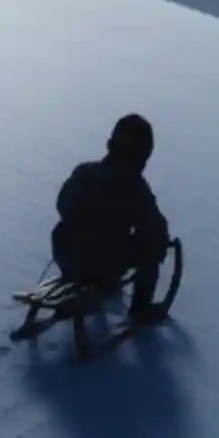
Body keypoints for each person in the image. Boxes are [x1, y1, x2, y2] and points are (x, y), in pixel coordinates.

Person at [50, 113, 171, 328]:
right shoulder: (134, 187)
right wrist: (159, 244)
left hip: (66, 256)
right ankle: (140, 309)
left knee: (83, 238)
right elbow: (154, 227)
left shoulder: (85, 172)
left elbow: (62, 204)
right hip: (104, 261)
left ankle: (86, 278)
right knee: (150, 247)